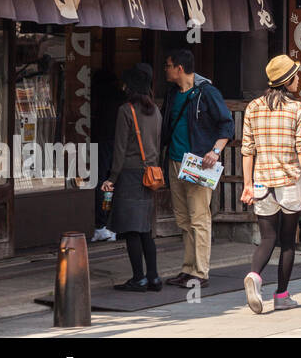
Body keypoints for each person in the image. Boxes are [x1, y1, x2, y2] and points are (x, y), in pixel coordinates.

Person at [240, 55, 301, 314]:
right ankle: (282, 295)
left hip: (262, 181)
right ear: (287, 81)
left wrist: (247, 184)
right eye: (295, 76)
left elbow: (247, 150)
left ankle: (254, 274)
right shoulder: (298, 110)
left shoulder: (253, 107)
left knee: (267, 238)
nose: (299, 79)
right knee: (287, 241)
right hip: (290, 182)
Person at [160, 49, 233, 290]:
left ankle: (200, 272)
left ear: (179, 68)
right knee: (183, 219)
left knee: (199, 218)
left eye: (168, 65)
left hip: (199, 163)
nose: (166, 69)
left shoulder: (207, 92)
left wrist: (215, 151)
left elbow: (227, 124)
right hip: (174, 161)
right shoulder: (172, 94)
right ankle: (187, 268)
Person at [101, 64, 163, 292]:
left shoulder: (125, 110)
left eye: (125, 82)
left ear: (132, 85)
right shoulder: (156, 111)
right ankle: (154, 277)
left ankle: (138, 278)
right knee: (145, 228)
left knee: (130, 230)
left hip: (129, 174)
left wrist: (112, 178)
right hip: (149, 175)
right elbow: (156, 145)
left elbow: (119, 150)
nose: (123, 86)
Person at [90, 68, 125, 244]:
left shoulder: (96, 98)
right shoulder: (122, 99)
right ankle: (111, 225)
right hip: (118, 144)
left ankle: (101, 224)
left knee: (102, 182)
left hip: (101, 142)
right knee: (113, 182)